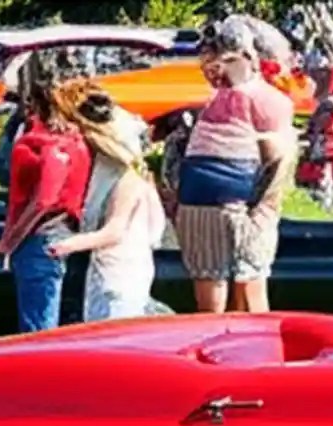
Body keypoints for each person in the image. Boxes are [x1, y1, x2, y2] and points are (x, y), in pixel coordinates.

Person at [175, 17, 297, 314]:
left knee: (210, 283)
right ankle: (253, 346)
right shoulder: (268, 99)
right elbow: (277, 156)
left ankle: (215, 344)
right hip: (238, 197)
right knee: (250, 279)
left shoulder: (215, 100)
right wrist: (264, 207)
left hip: (197, 196)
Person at [0, 50, 93, 332]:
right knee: (42, 314)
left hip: (43, 235)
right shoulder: (71, 140)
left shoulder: (52, 146)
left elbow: (44, 199)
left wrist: (10, 242)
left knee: (38, 324)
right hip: (56, 231)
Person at [48, 82, 167, 322]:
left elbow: (114, 230)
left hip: (120, 276)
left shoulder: (125, 175)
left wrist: (64, 245)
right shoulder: (109, 166)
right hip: (106, 271)